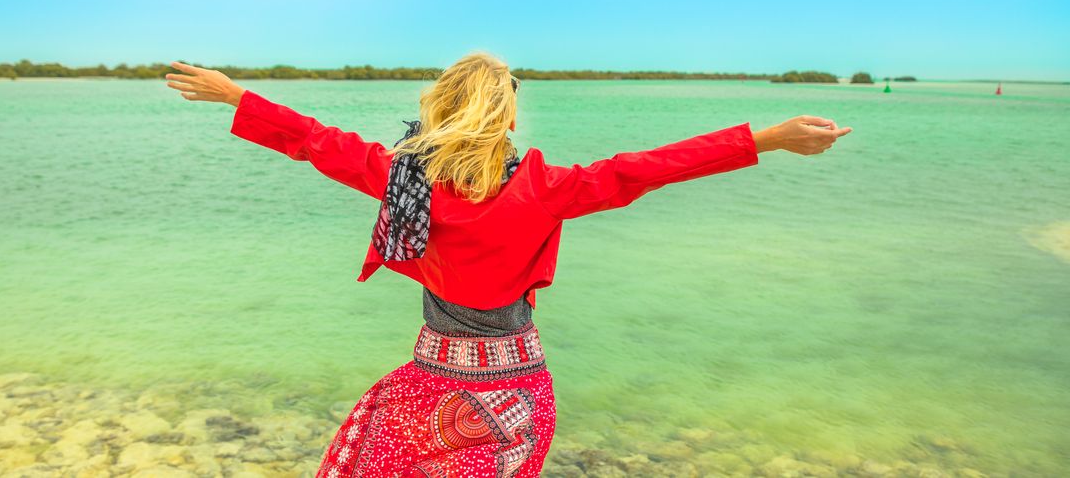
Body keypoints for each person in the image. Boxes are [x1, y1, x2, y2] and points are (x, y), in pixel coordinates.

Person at [165, 53, 851, 477]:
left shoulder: (401, 178)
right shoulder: (547, 188)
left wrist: (234, 96)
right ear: (507, 118)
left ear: (438, 110)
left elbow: (316, 141)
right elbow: (650, 168)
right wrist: (770, 138)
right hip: (515, 392)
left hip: (429, 381)